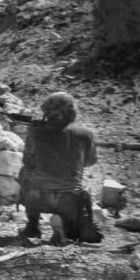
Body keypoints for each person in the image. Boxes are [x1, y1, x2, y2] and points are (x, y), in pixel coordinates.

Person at [19, 92, 101, 245]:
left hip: (38, 198)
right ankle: (65, 223)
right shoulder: (85, 134)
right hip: (69, 201)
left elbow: (27, 161)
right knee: (81, 190)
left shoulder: (36, 132)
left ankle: (32, 225)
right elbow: (90, 162)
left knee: (24, 172)